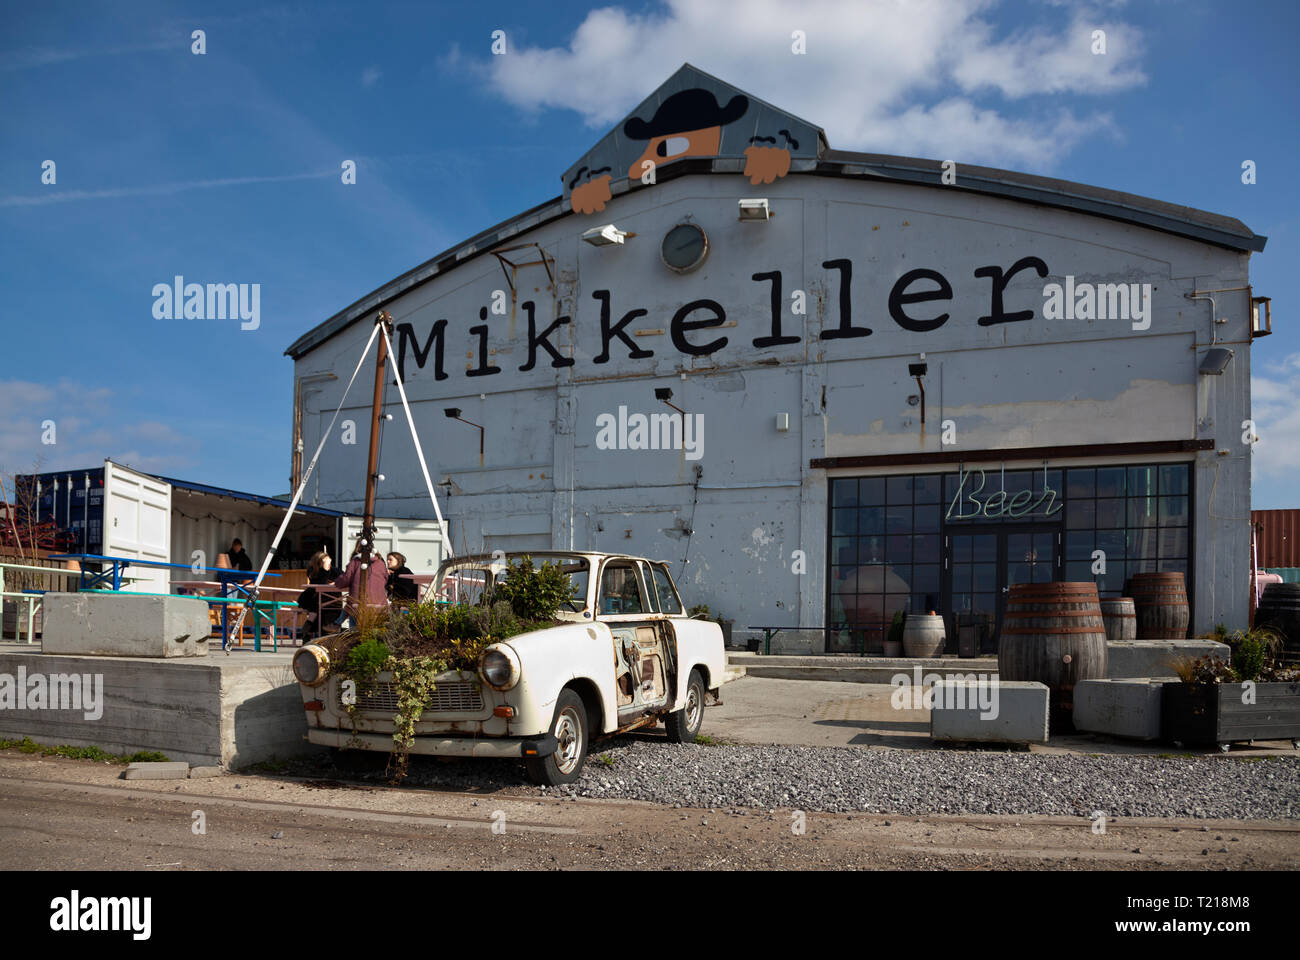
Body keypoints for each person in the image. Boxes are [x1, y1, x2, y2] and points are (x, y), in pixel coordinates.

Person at [332, 537, 388, 628]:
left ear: (358, 548)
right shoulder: (381, 563)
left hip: (358, 605)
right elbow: (385, 579)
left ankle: (337, 625)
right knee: (375, 632)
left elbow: (345, 580)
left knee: (355, 632)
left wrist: (336, 582)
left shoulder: (355, 562)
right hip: (379, 605)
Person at [296, 551, 335, 641]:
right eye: (326, 561)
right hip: (312, 597)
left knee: (316, 615)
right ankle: (307, 633)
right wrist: (326, 568)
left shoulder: (317, 570)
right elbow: (322, 582)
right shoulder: (315, 571)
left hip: (314, 597)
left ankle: (307, 633)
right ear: (321, 561)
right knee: (316, 613)